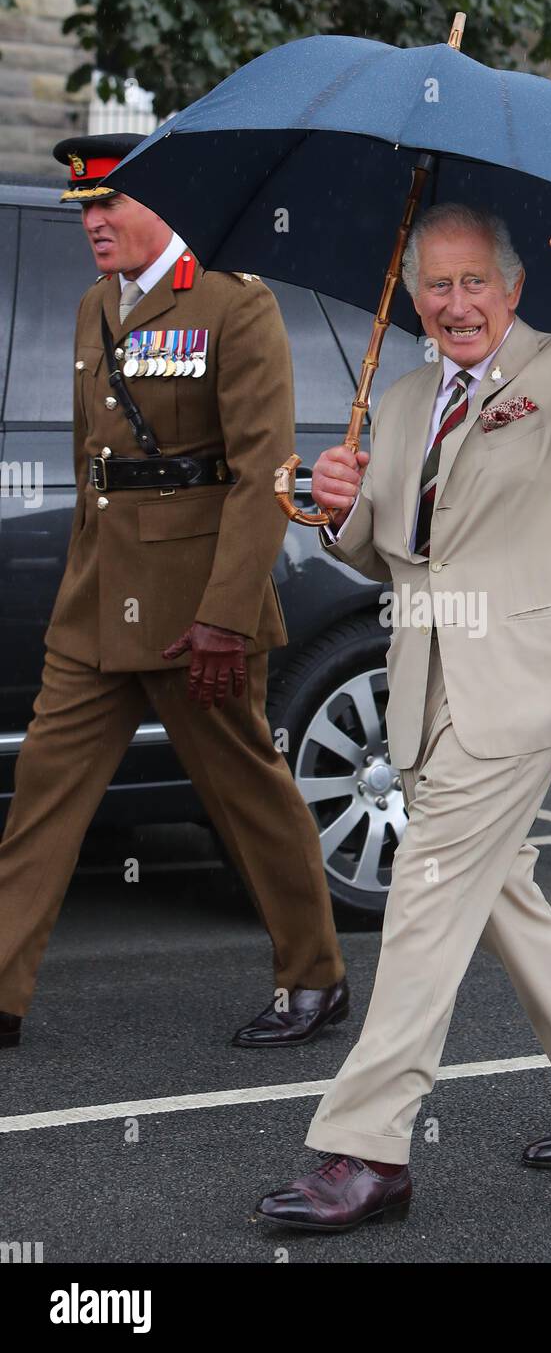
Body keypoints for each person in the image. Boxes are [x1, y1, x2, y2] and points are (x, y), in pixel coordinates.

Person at [255, 175, 551, 1233]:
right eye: (435, 285)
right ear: (412, 295)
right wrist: (337, 509)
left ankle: (364, 1150)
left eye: (474, 282)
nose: (454, 303)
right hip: (425, 693)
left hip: (522, 687)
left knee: (427, 899)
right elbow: (390, 553)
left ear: (515, 283)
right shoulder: (401, 402)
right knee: (499, 890)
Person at [0, 133, 348, 1052]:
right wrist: (82, 579)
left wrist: (225, 617)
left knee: (243, 789)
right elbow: (94, 465)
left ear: (163, 204)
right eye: (86, 209)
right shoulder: (92, 308)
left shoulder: (235, 304)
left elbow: (264, 474)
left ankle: (313, 976)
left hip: (196, 607)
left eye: (111, 204)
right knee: (44, 789)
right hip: (97, 600)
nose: (95, 223)